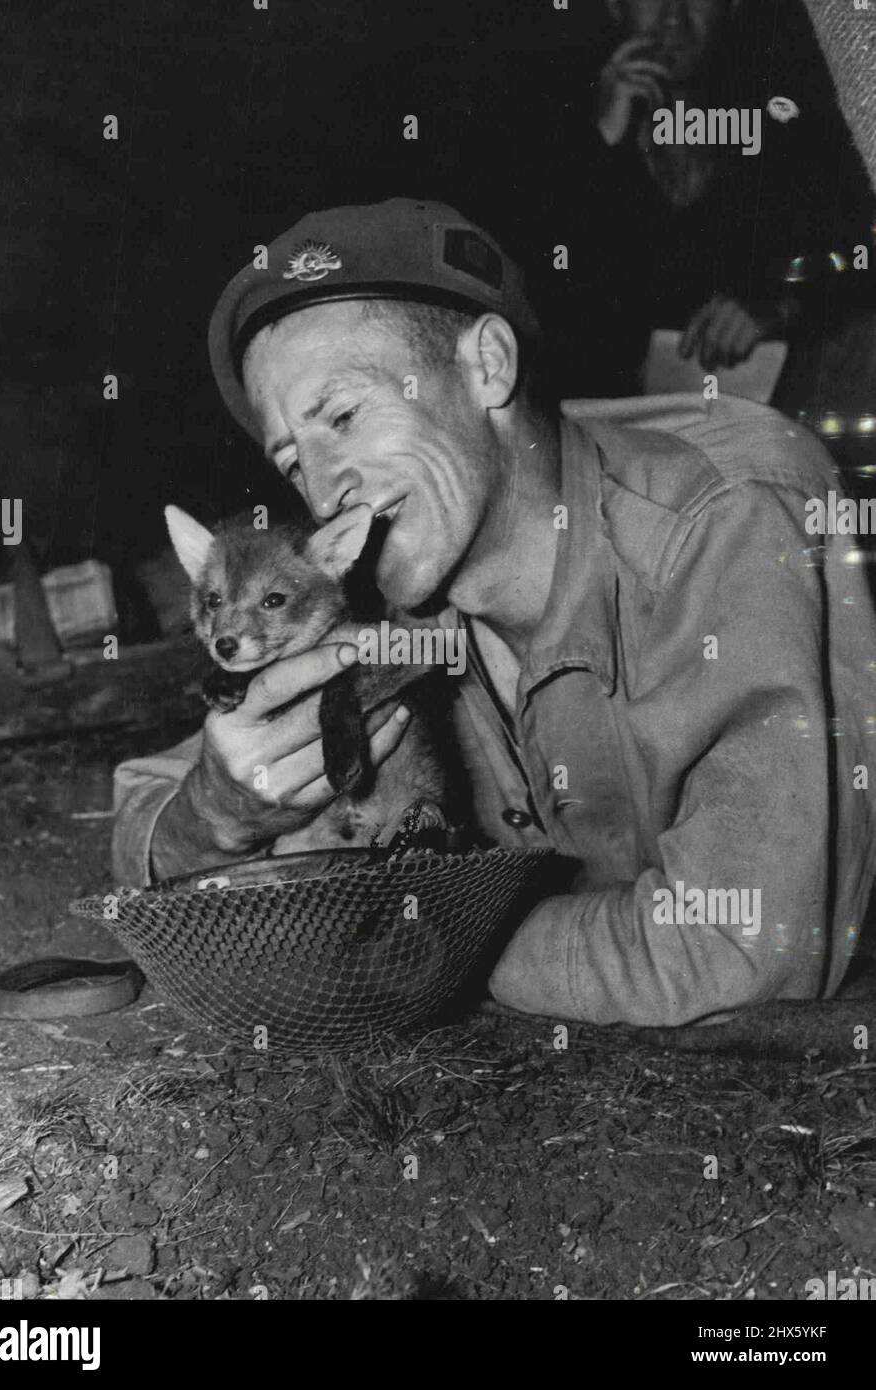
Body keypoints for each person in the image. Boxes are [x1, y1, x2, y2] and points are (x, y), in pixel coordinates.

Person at [112, 197, 876, 1027]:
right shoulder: (374, 589)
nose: (326, 486)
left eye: (345, 416)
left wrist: (422, 939)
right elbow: (150, 807)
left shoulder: (723, 517)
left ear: (487, 366)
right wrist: (215, 813)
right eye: (293, 459)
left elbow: (739, 951)